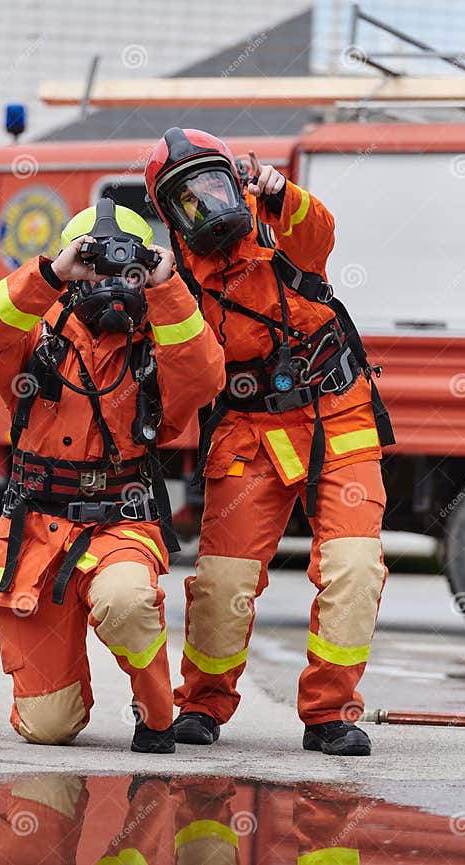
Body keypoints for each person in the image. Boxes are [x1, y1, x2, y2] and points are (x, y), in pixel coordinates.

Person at [145, 128, 395, 756]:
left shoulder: (279, 222)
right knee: (223, 582)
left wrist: (284, 193)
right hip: (246, 430)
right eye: (187, 197)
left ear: (235, 178)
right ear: (170, 213)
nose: (204, 204)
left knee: (355, 568)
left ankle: (330, 713)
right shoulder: (174, 278)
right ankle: (201, 705)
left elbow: (322, 234)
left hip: (336, 416)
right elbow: (181, 364)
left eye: (211, 183)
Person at [0, 199, 225, 753]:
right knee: (47, 728)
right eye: (97, 266)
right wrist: (53, 273)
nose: (111, 282)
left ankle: (155, 715)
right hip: (36, 535)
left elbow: (204, 377)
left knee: (126, 600)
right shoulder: (38, 342)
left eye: (124, 270)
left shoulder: (156, 343)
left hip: (118, 527)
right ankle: (65, 695)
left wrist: (166, 285)